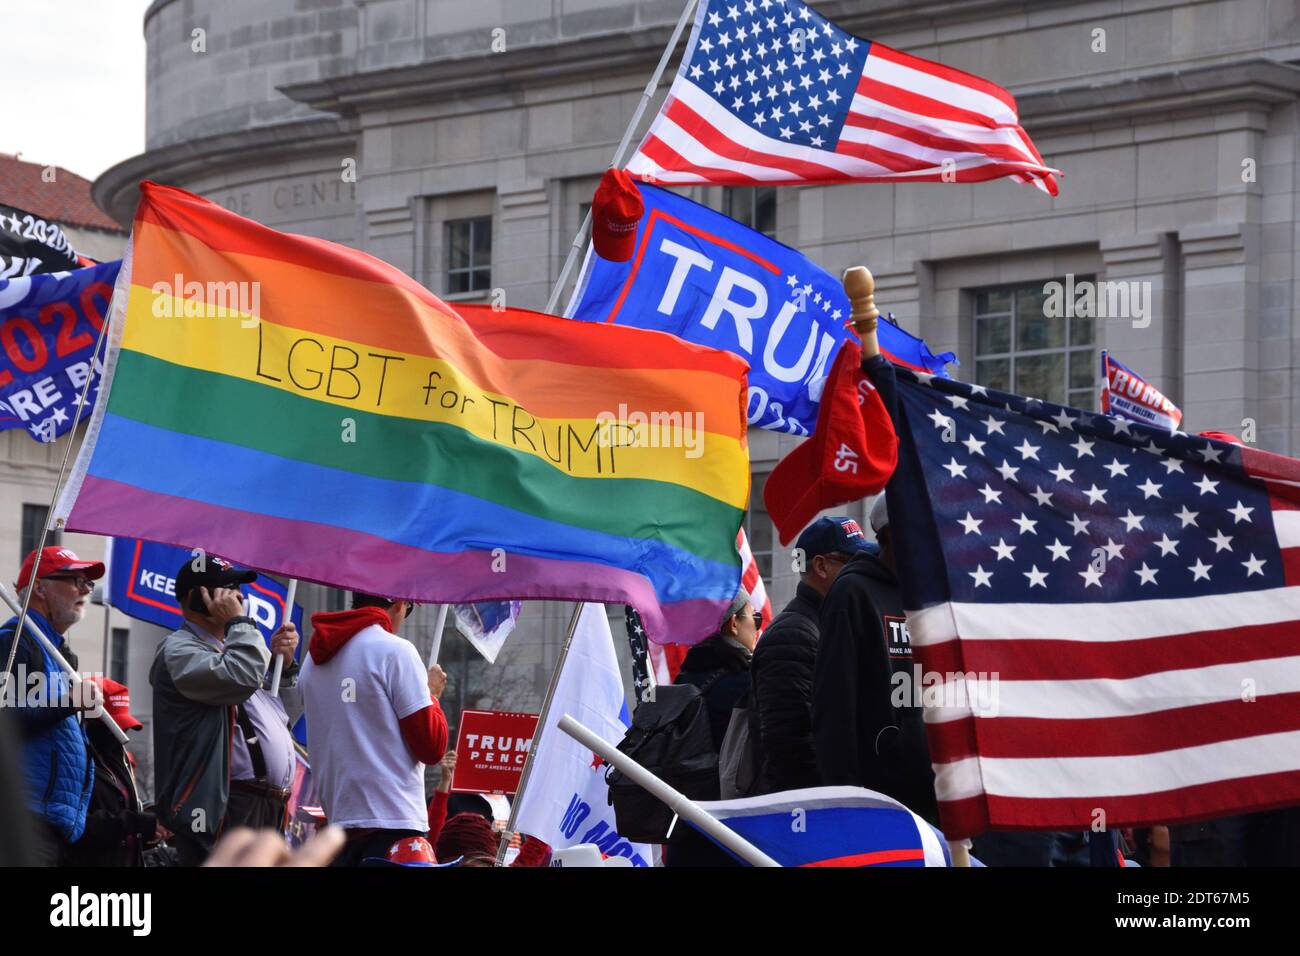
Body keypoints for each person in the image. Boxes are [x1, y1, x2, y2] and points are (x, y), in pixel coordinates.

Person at [150, 557, 299, 866]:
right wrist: (241, 626)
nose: (239, 597)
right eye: (228, 589)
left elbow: (285, 718)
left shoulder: (230, 651)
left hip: (265, 807)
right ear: (197, 597)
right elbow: (241, 676)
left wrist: (282, 668)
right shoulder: (178, 649)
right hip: (224, 808)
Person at [812, 495, 939, 823]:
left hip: (938, 796)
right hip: (879, 802)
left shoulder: (933, 596)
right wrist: (846, 804)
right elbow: (834, 709)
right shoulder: (852, 593)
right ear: (894, 535)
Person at [299, 592, 449, 867]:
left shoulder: (312, 660)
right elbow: (432, 747)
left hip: (338, 827)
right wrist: (431, 696)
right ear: (400, 604)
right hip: (394, 823)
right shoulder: (396, 651)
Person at [751, 516, 876, 794]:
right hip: (813, 814)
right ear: (821, 566)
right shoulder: (792, 636)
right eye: (853, 563)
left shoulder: (833, 624)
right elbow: (792, 749)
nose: (864, 574)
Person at [0, 546, 105, 864]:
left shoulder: (61, 656)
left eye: (89, 582)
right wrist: (69, 703)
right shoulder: (16, 641)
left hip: (52, 826)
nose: (86, 589)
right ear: (39, 588)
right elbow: (6, 722)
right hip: (23, 820)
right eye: (76, 579)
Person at [665, 590, 757, 867]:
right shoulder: (749, 684)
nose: (756, 626)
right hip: (735, 835)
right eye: (755, 617)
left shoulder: (681, 680)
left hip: (684, 829)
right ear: (734, 624)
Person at [64, 677, 155, 867]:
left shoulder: (119, 757)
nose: (121, 733)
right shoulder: (71, 760)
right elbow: (75, 826)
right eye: (114, 726)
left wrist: (150, 829)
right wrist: (136, 824)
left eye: (124, 727)